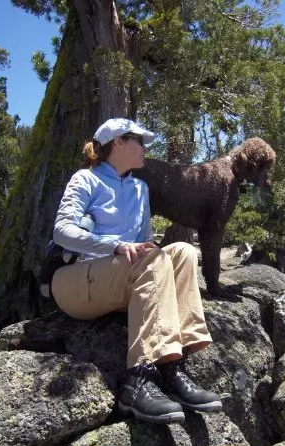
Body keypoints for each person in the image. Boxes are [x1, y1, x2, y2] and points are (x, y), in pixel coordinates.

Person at [51, 118, 222, 424]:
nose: (146, 149)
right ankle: (138, 379)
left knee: (182, 252)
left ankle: (172, 366)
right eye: (140, 141)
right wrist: (113, 244)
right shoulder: (85, 180)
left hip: (121, 280)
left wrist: (146, 248)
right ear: (118, 142)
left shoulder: (140, 188)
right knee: (154, 259)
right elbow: (62, 232)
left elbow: (144, 244)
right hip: (77, 282)